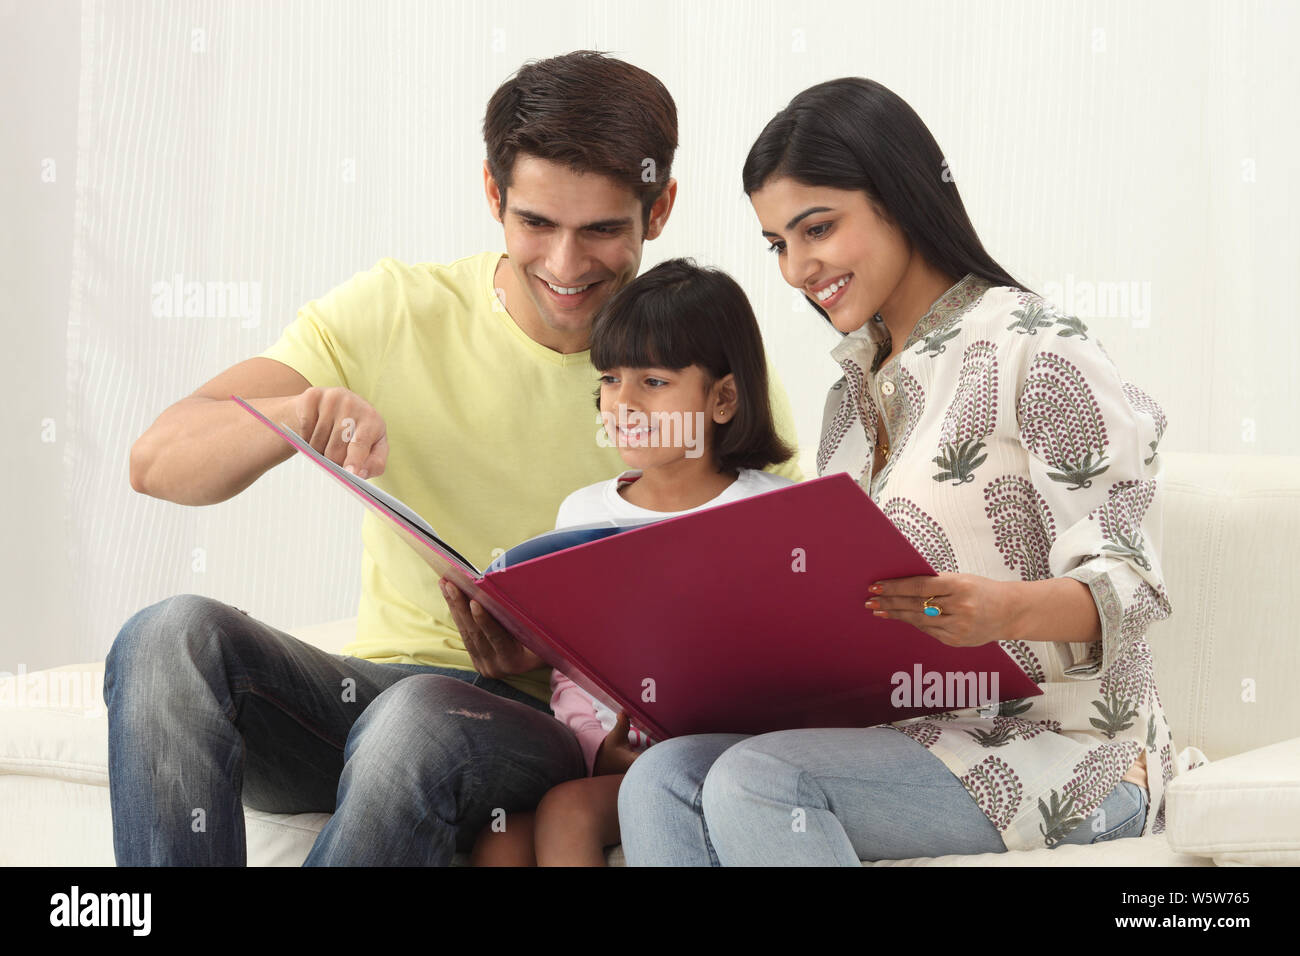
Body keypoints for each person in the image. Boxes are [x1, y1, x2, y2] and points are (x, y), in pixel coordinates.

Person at [107, 51, 802, 866]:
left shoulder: (695, 381)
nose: (567, 266)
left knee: (420, 716)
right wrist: (296, 414)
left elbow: (768, 632)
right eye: (536, 224)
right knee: (167, 637)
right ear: (491, 194)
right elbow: (157, 460)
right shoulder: (392, 310)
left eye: (603, 230)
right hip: (358, 709)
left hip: (544, 733)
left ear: (661, 208)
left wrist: (581, 663)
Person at [617, 77, 1175, 865]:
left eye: (817, 229)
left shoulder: (1037, 343)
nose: (796, 269)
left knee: (760, 780)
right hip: (912, 736)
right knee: (661, 779)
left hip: (1074, 753)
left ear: (899, 196)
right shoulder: (851, 393)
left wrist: (1002, 612)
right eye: (778, 244)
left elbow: (1134, 587)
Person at [469, 259, 795, 866]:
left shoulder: (771, 511)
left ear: (722, 397)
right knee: (499, 838)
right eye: (611, 379)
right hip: (601, 756)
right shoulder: (582, 513)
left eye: (653, 382)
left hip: (717, 758)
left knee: (568, 811)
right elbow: (573, 674)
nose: (622, 402)